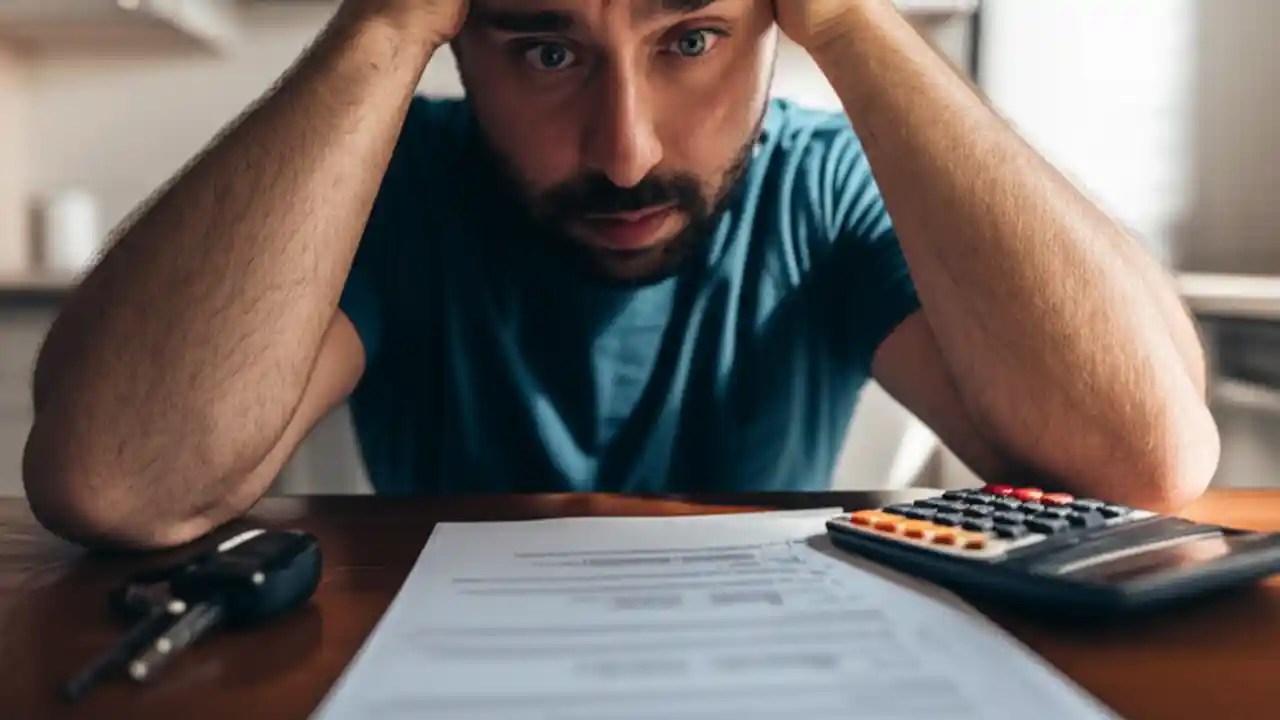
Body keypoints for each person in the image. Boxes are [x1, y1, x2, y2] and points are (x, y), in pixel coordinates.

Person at [23, 0, 1219, 549]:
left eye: (690, 40)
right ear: (462, 45)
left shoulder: (822, 187)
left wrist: (853, 22)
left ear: (770, 30)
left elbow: (1141, 461)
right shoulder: (396, 189)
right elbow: (120, 485)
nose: (625, 150)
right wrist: (377, 27)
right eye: (545, 48)